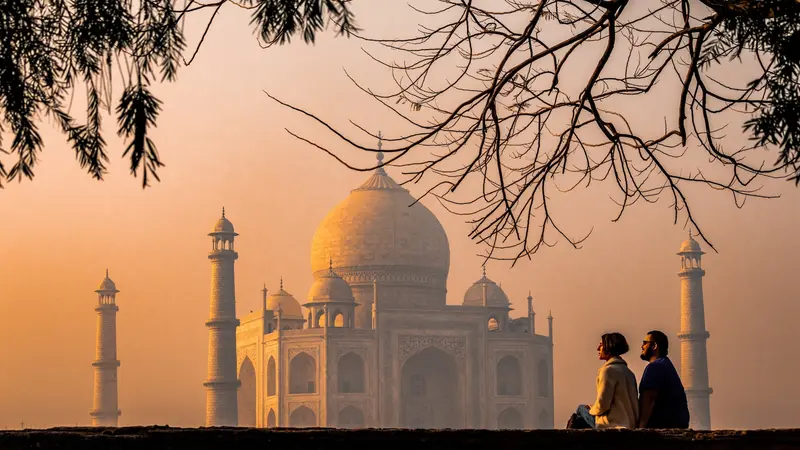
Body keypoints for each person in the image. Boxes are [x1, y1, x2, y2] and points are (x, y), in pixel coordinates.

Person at [572, 332, 639, 429]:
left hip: (612, 425)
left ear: (609, 347)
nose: (598, 349)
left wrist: (592, 409)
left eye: (601, 345)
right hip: (629, 424)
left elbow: (603, 405)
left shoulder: (607, 371)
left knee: (580, 409)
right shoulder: (628, 372)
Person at [638, 330, 690, 429]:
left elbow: (649, 398)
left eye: (645, 343)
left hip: (661, 428)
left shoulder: (655, 367)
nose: (642, 346)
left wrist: (641, 427)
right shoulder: (666, 365)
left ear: (654, 346)